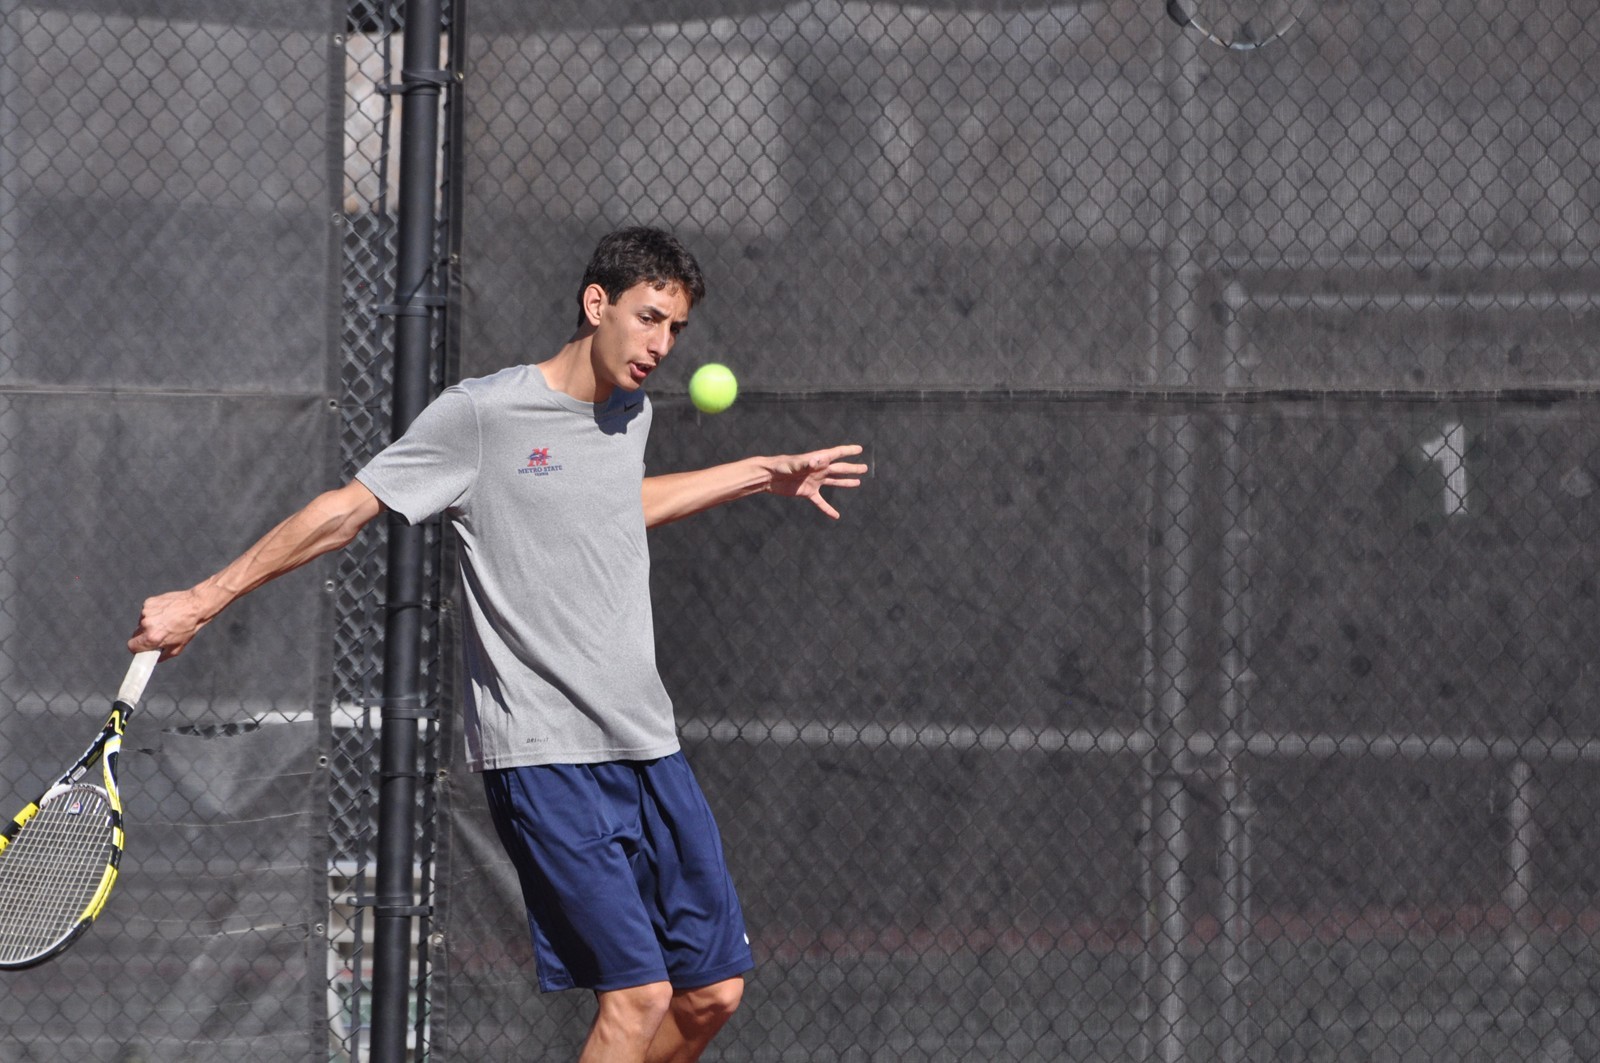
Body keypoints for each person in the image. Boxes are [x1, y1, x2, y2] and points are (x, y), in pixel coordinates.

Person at [128, 226, 867, 1063]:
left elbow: (610, 505)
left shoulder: (633, 411)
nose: (662, 345)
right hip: (547, 758)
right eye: (650, 318)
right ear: (597, 305)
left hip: (648, 746)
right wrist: (204, 596)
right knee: (638, 998)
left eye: (677, 330)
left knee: (710, 993)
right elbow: (344, 510)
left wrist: (755, 474)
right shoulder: (482, 415)